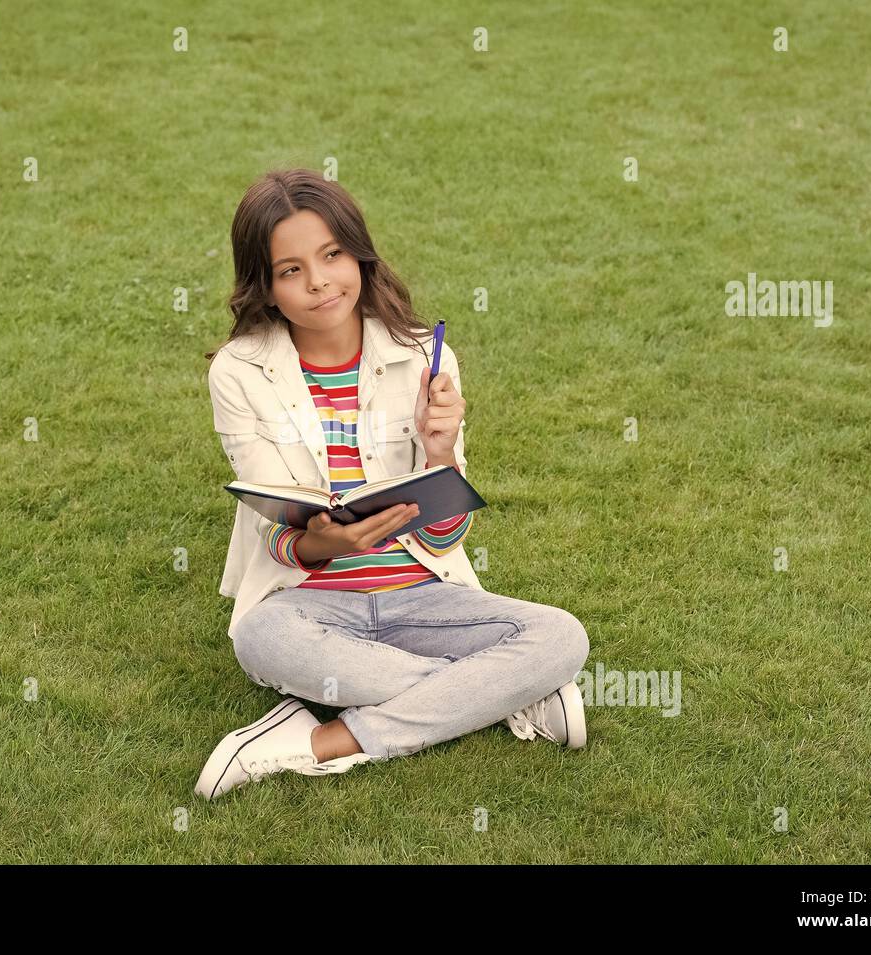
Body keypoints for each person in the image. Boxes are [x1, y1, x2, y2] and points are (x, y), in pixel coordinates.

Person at [195, 168, 590, 800]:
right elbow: (273, 522)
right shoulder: (240, 372)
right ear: (265, 287)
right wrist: (326, 544)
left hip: (423, 597)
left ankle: (314, 740)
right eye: (291, 270)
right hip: (306, 603)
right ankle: (509, 695)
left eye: (332, 255)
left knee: (562, 635)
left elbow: (446, 533)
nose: (320, 281)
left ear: (360, 253)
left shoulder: (423, 355)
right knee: (261, 638)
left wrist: (441, 454)